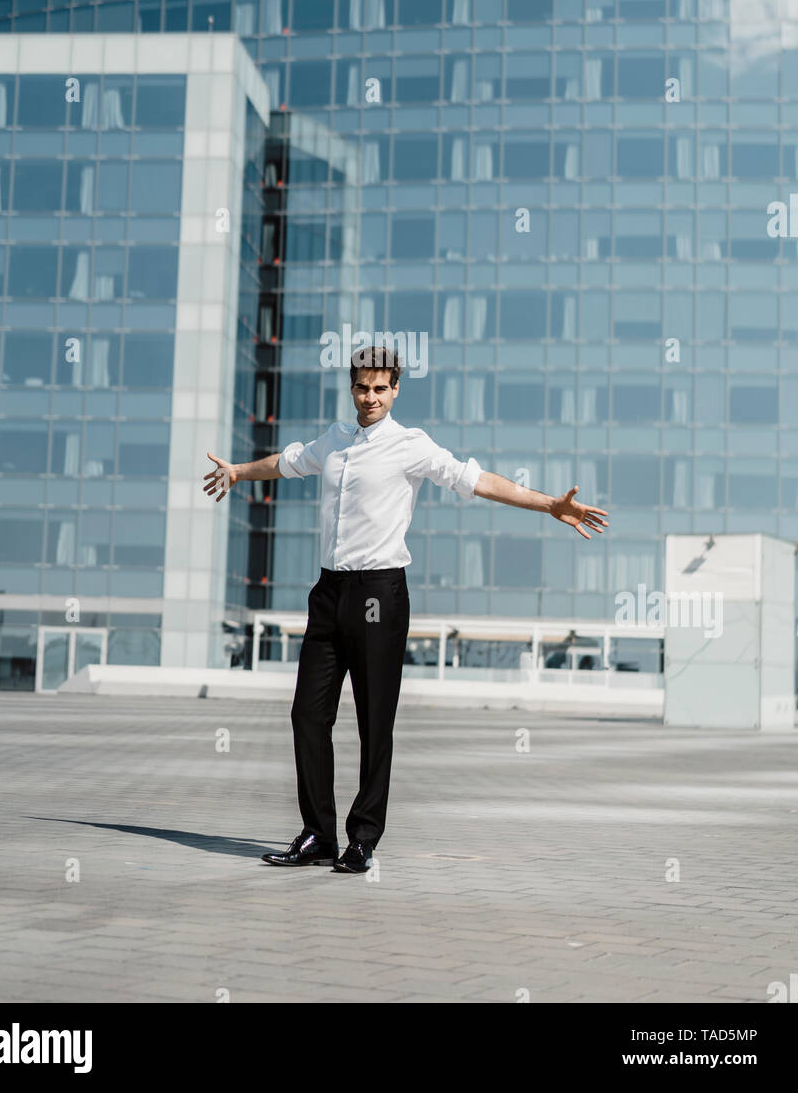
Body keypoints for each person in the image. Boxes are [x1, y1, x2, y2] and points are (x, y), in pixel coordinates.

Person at [203, 345, 608, 873]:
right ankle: (318, 834)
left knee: (375, 722)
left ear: (395, 391)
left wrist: (550, 504)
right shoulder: (334, 441)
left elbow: (478, 481)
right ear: (351, 389)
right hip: (328, 594)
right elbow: (284, 463)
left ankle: (363, 838)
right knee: (307, 714)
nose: (369, 397)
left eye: (380, 388)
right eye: (361, 387)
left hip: (378, 595)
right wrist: (237, 472)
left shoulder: (410, 446)